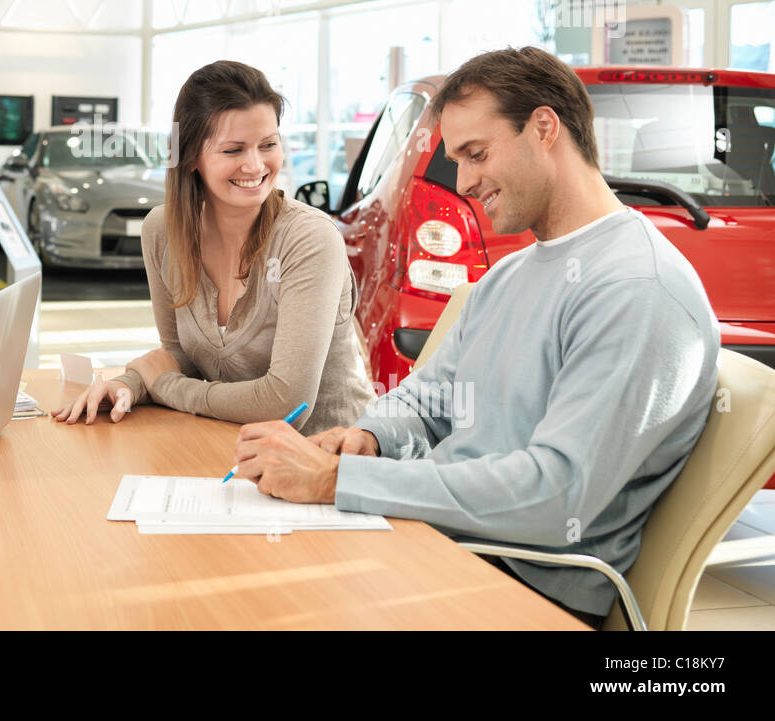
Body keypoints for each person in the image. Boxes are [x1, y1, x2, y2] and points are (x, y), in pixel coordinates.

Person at [232, 46, 719, 626]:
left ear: (544, 128)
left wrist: (341, 480)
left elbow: (553, 495)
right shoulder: (514, 273)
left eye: (476, 154)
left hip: (517, 585)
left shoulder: (636, 289)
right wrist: (369, 440)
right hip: (447, 546)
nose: (462, 181)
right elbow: (429, 400)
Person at [54, 60, 373, 434]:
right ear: (190, 157)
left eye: (268, 144)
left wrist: (165, 386)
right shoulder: (163, 231)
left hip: (331, 463)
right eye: (233, 150)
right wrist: (130, 385)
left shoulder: (309, 239)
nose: (255, 165)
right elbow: (181, 355)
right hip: (232, 450)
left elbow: (289, 406)